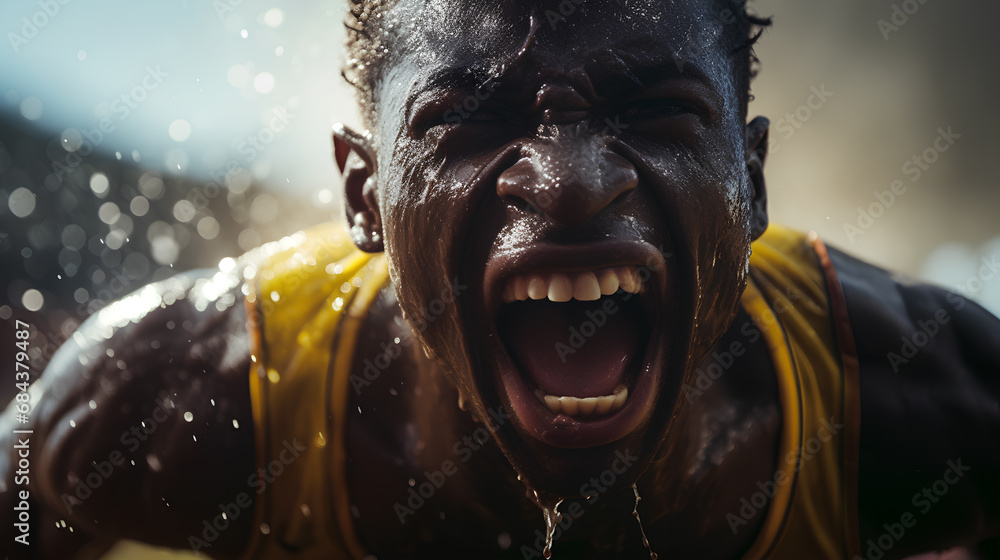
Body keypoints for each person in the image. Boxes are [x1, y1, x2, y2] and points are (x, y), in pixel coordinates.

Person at [2, 1, 999, 558]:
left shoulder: (923, 395)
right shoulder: (177, 397)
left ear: (750, 179)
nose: (568, 186)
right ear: (364, 197)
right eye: (468, 117)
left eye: (654, 109)